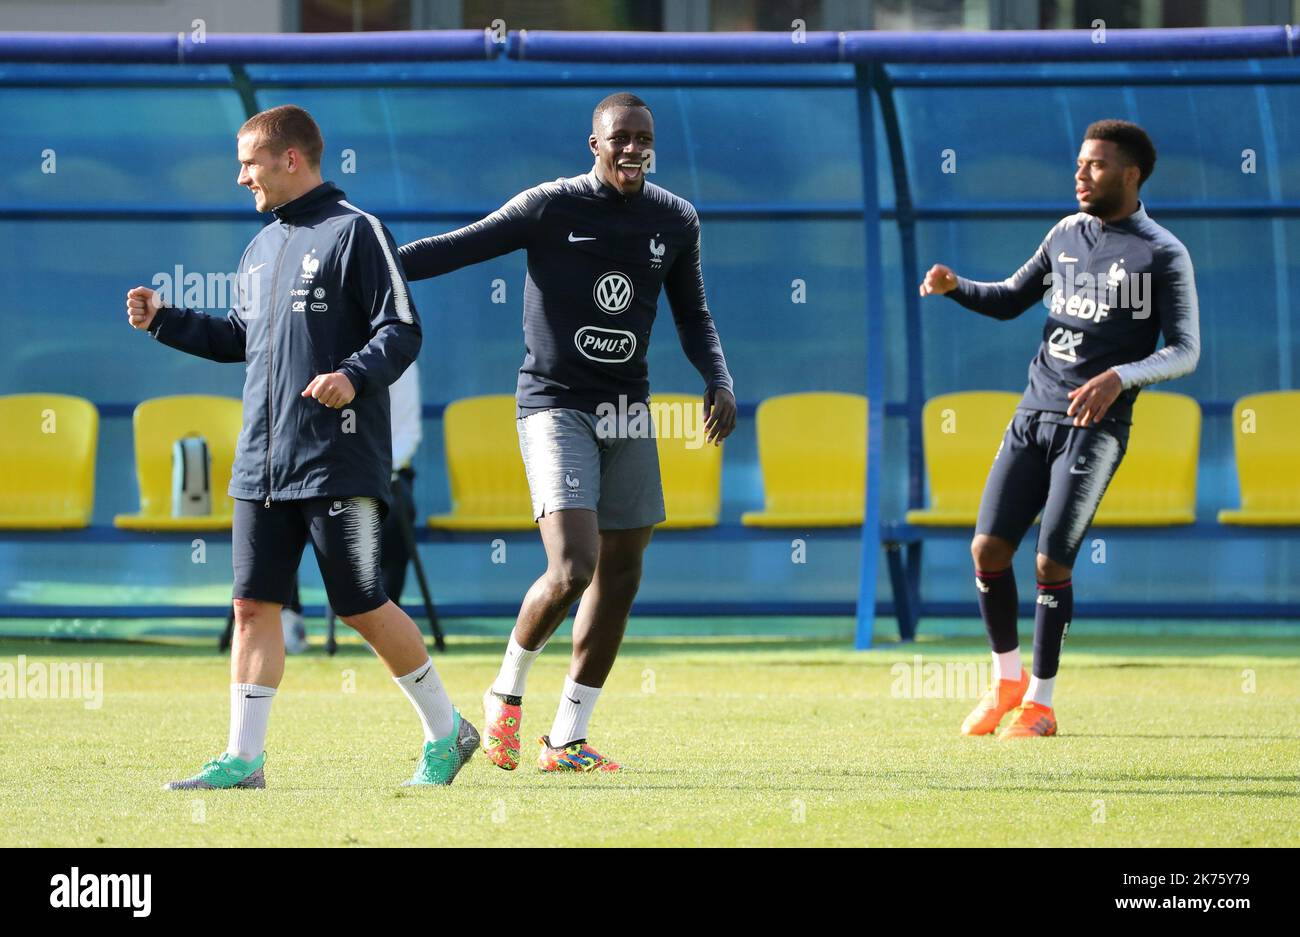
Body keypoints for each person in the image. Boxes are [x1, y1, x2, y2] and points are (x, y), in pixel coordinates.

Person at [126, 104, 477, 788]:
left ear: (292, 159)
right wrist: (165, 321)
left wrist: (352, 375)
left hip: (337, 459)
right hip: (260, 462)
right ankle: (244, 758)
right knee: (253, 604)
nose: (240, 177)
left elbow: (401, 330)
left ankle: (447, 731)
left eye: (249, 162)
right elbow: (239, 338)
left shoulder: (358, 232)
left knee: (360, 603)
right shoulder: (260, 246)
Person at [399, 92, 737, 772]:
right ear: (594, 144)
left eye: (644, 138)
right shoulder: (549, 206)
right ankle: (505, 693)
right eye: (620, 138)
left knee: (622, 572)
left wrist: (719, 379)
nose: (633, 149)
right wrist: (371, 267)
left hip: (627, 409)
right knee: (573, 566)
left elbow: (692, 315)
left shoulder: (675, 219)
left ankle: (567, 738)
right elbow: (457, 247)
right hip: (554, 405)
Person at [919, 119, 1200, 739]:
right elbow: (1011, 298)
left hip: (1094, 427)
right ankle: (1006, 683)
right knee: (988, 549)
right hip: (1032, 414)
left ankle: (1040, 704)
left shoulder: (1162, 252)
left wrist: (1120, 378)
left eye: (1095, 165)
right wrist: (955, 286)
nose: (1080, 174)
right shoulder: (1066, 234)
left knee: (1050, 559)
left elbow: (1185, 351)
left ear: (1130, 175)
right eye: (1079, 163)